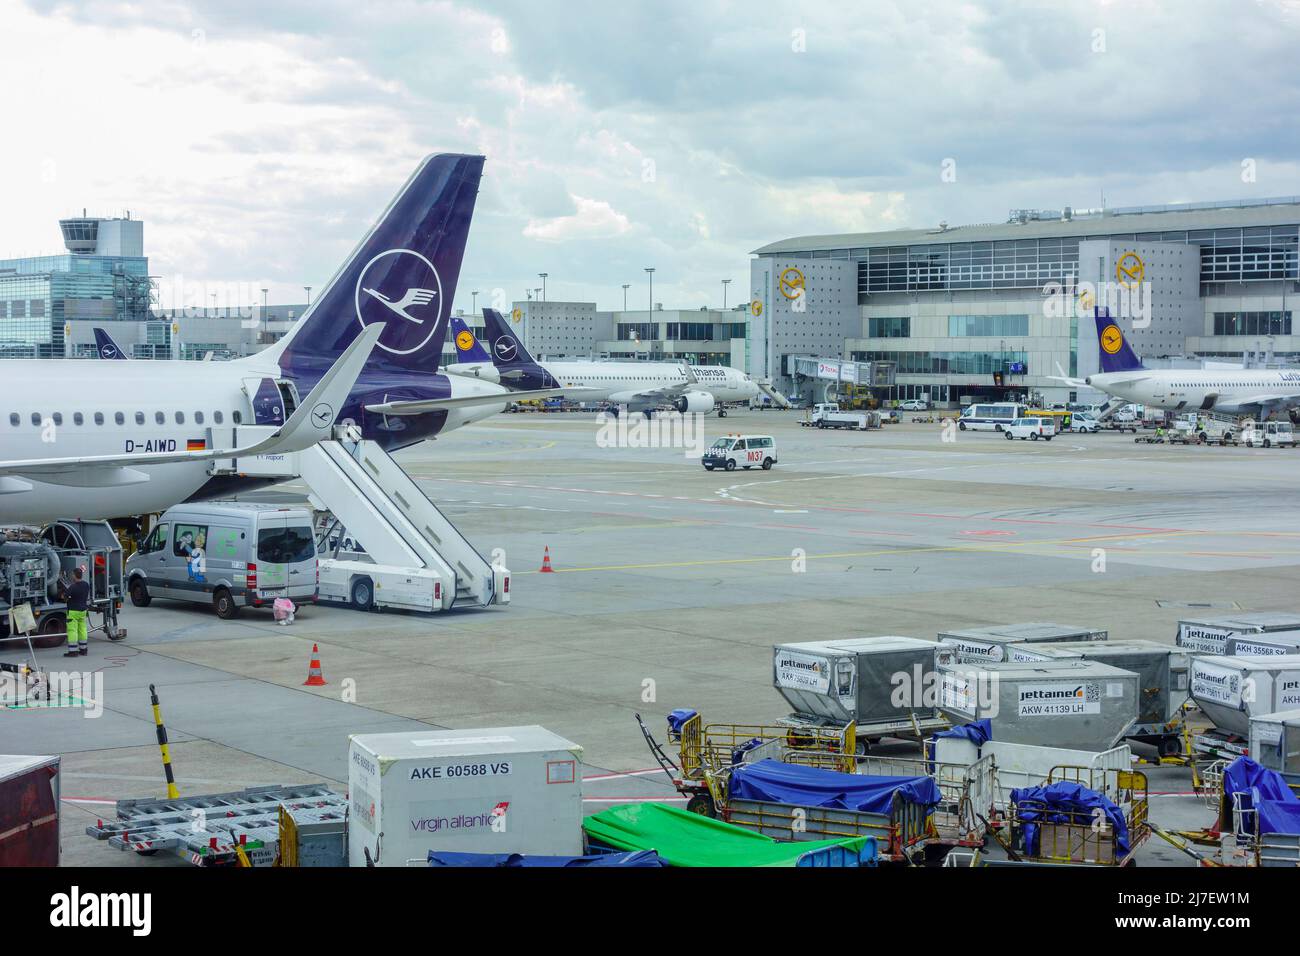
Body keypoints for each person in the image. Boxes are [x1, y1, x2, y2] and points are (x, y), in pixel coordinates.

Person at [65, 566, 91, 657]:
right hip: (83, 610)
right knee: (82, 629)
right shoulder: (86, 585)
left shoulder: (72, 587)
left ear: (74, 575)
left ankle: (73, 651)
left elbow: (65, 597)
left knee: (72, 630)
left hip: (73, 612)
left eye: (72, 575)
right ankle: (83, 650)